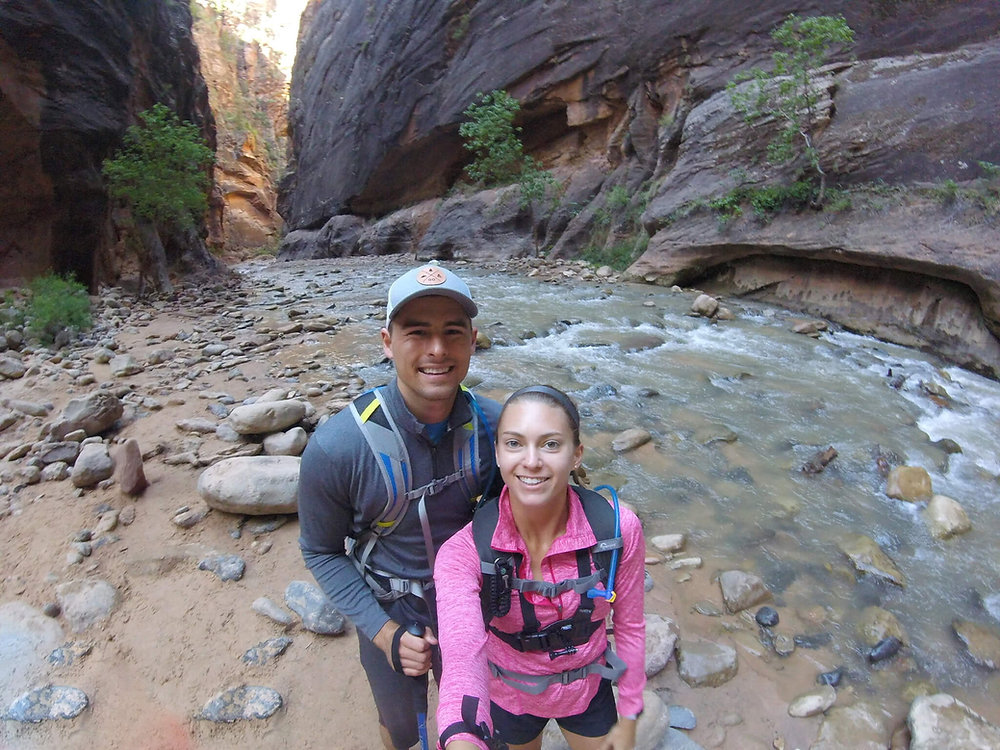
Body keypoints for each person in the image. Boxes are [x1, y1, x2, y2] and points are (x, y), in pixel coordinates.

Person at [298, 264, 502, 750]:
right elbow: (321, 552)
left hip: (473, 607)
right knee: (403, 730)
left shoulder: (499, 429)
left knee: (481, 725)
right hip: (390, 608)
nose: (437, 349)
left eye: (452, 333)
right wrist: (384, 633)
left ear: (473, 341)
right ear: (388, 342)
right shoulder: (338, 447)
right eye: (418, 333)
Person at [434, 385, 646, 750]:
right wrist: (462, 737)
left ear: (576, 455)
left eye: (550, 444)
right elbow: (461, 654)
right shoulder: (464, 552)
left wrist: (629, 712)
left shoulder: (617, 530)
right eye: (514, 443)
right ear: (497, 453)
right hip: (508, 695)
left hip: (588, 689)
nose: (531, 461)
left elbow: (630, 626)